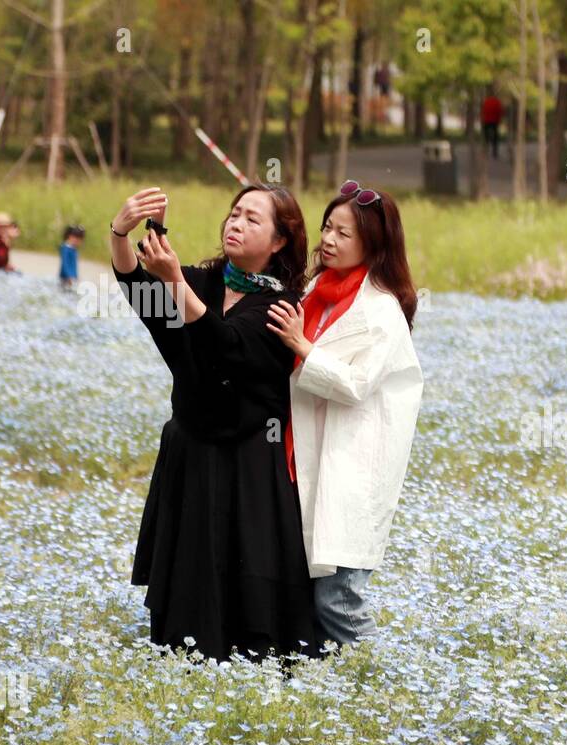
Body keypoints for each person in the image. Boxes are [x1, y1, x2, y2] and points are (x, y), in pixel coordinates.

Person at [108, 183, 324, 666]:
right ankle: (181, 658)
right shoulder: (202, 281)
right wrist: (121, 233)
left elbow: (224, 344)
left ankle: (248, 674)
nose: (236, 223)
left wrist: (174, 284)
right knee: (188, 570)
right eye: (234, 213)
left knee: (243, 572)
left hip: (246, 458)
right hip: (191, 449)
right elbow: (141, 292)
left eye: (252, 219)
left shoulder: (282, 304)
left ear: (279, 241)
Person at [263, 180, 422, 651]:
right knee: (311, 589)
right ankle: (335, 682)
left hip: (353, 465)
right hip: (307, 453)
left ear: (373, 244)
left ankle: (380, 679)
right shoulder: (317, 290)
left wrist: (300, 345)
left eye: (343, 233)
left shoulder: (381, 312)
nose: (328, 240)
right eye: (327, 228)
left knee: (338, 597)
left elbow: (355, 385)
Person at [59, 224, 85, 291]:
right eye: (76, 238)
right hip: (66, 277)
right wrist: (69, 276)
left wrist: (75, 276)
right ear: (69, 236)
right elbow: (65, 264)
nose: (77, 241)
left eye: (80, 240)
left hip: (72, 276)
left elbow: (74, 265)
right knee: (65, 291)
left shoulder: (74, 249)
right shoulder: (66, 249)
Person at [481, 91, 503, 159]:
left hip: (487, 120)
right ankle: (495, 152)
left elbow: (483, 111)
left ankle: (485, 150)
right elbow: (500, 111)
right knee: (495, 137)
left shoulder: (486, 101)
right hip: (495, 121)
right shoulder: (497, 102)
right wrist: (499, 119)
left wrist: (483, 118)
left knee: (486, 135)